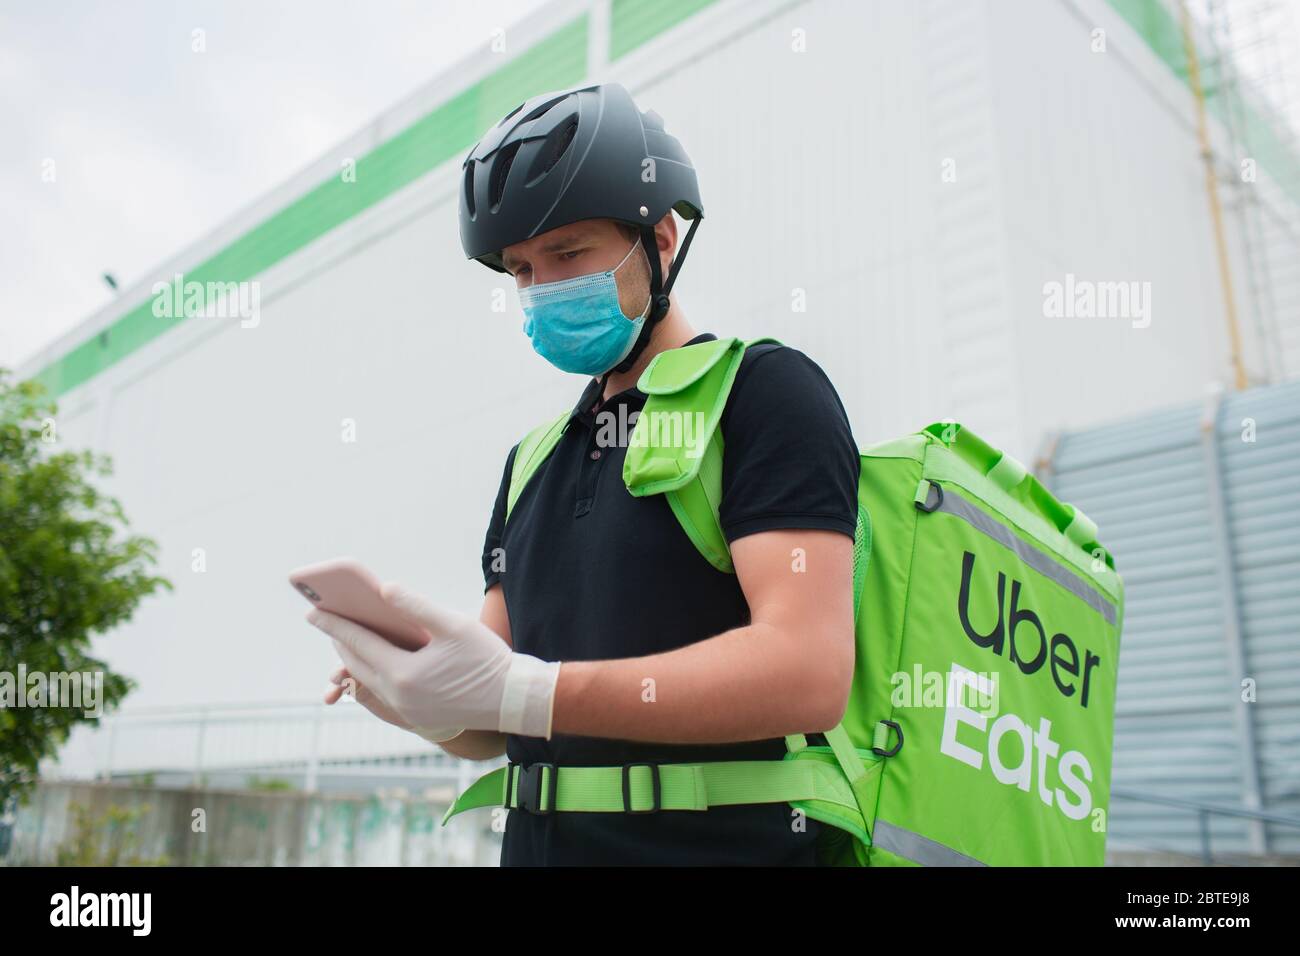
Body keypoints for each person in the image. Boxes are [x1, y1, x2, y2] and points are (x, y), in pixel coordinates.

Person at [309, 82, 861, 865]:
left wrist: (532, 692)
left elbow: (808, 670)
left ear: (661, 239)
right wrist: (409, 694)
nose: (543, 289)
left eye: (569, 253)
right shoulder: (531, 461)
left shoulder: (764, 392)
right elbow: (493, 716)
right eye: (522, 270)